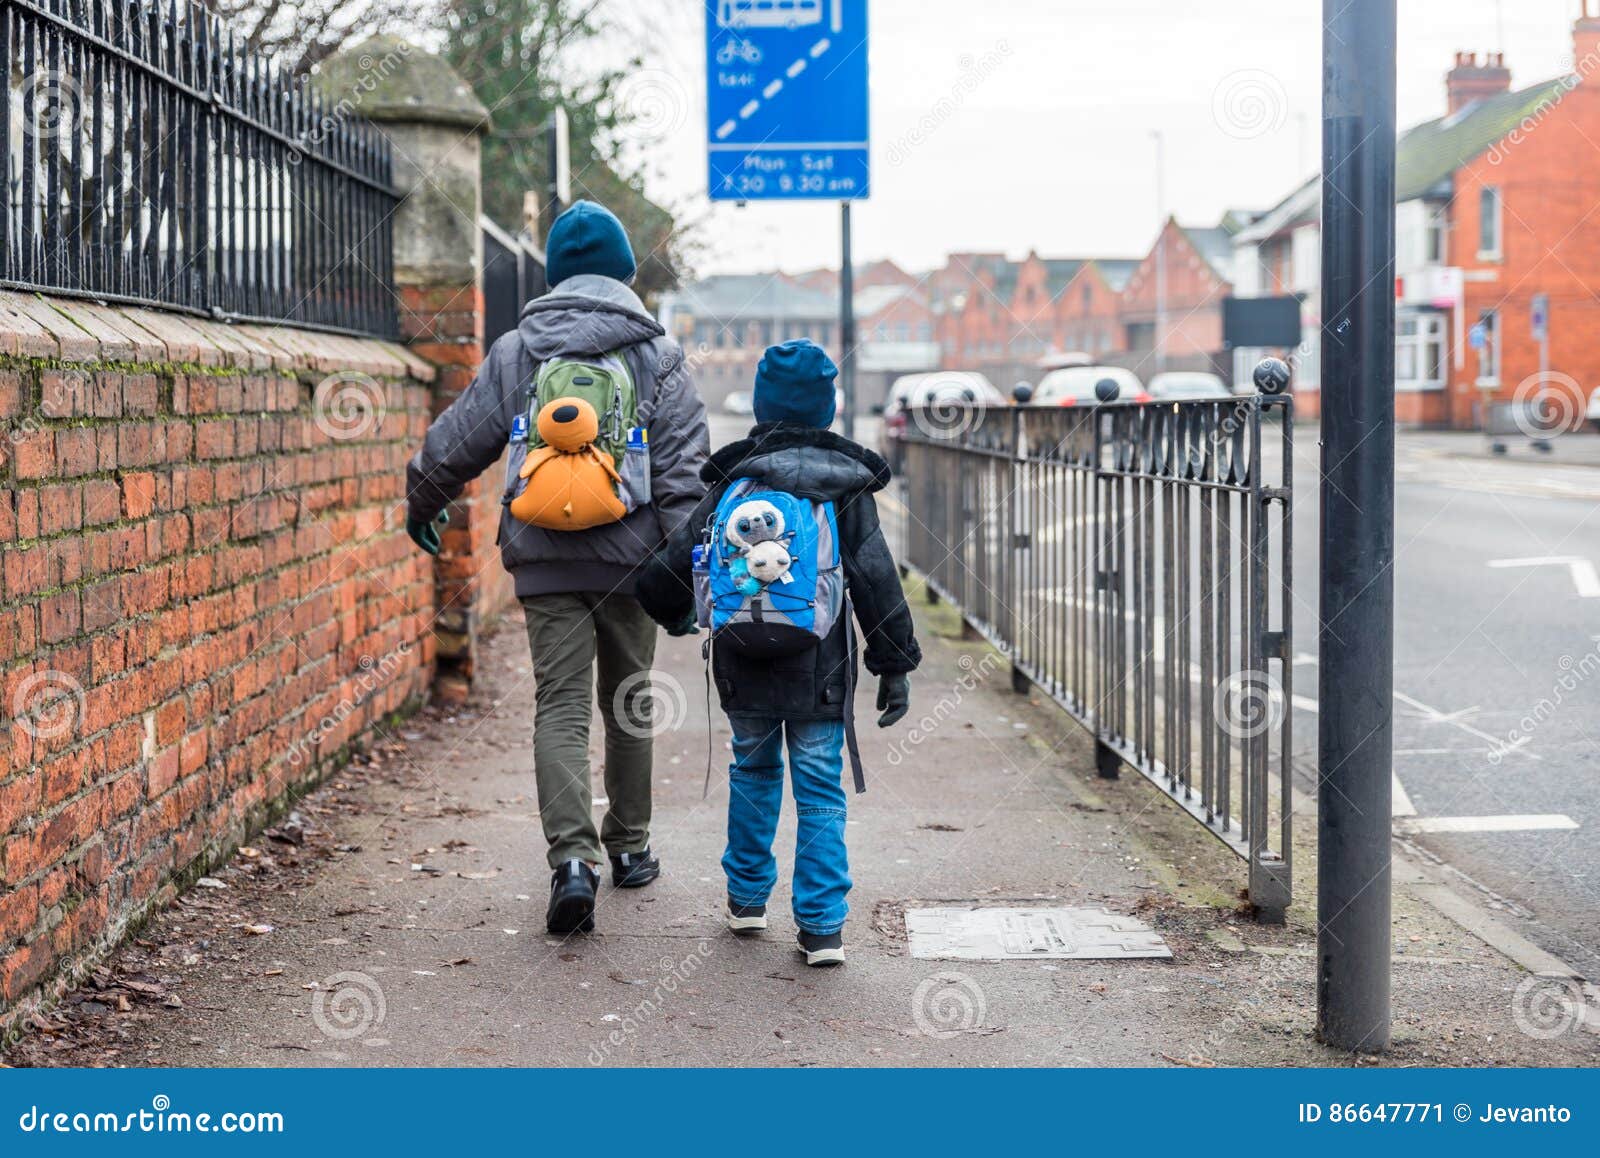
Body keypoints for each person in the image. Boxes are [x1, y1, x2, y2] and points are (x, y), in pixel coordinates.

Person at [406, 200, 709, 935]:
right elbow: (683, 475)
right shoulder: (658, 354)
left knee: (562, 705)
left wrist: (424, 497)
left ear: (554, 274)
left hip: (543, 554)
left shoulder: (519, 350)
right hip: (632, 559)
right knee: (629, 700)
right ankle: (629, 847)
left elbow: (461, 438)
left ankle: (573, 863)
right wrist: (687, 575)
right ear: (626, 273)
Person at [637, 340, 919, 966]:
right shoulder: (843, 486)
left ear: (763, 406)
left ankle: (745, 900)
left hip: (743, 660)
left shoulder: (735, 481)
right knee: (819, 788)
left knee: (753, 772)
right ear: (826, 407)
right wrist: (894, 665)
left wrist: (679, 614)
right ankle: (822, 928)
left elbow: (667, 569)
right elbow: (876, 579)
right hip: (821, 667)